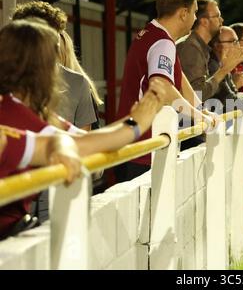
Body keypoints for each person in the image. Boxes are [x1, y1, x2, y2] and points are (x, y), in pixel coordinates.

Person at [0, 19, 167, 239]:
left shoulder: (24, 108)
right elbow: (82, 144)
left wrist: (133, 120)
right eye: (54, 60)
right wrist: (136, 124)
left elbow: (79, 138)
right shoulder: (12, 111)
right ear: (39, 68)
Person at [116, 0, 217, 182]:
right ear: (183, 13)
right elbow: (162, 86)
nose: (195, 19)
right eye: (195, 12)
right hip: (143, 148)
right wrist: (198, 116)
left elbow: (179, 79)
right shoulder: (163, 42)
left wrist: (201, 110)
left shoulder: (152, 34)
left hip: (133, 143)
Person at [12, 1, 99, 130]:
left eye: (55, 43)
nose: (53, 50)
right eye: (44, 43)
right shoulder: (7, 83)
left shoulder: (78, 83)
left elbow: (83, 140)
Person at [177, 0, 243, 101]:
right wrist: (224, 70)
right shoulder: (191, 47)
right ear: (204, 21)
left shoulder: (200, 47)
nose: (221, 20)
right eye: (217, 16)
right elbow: (197, 96)